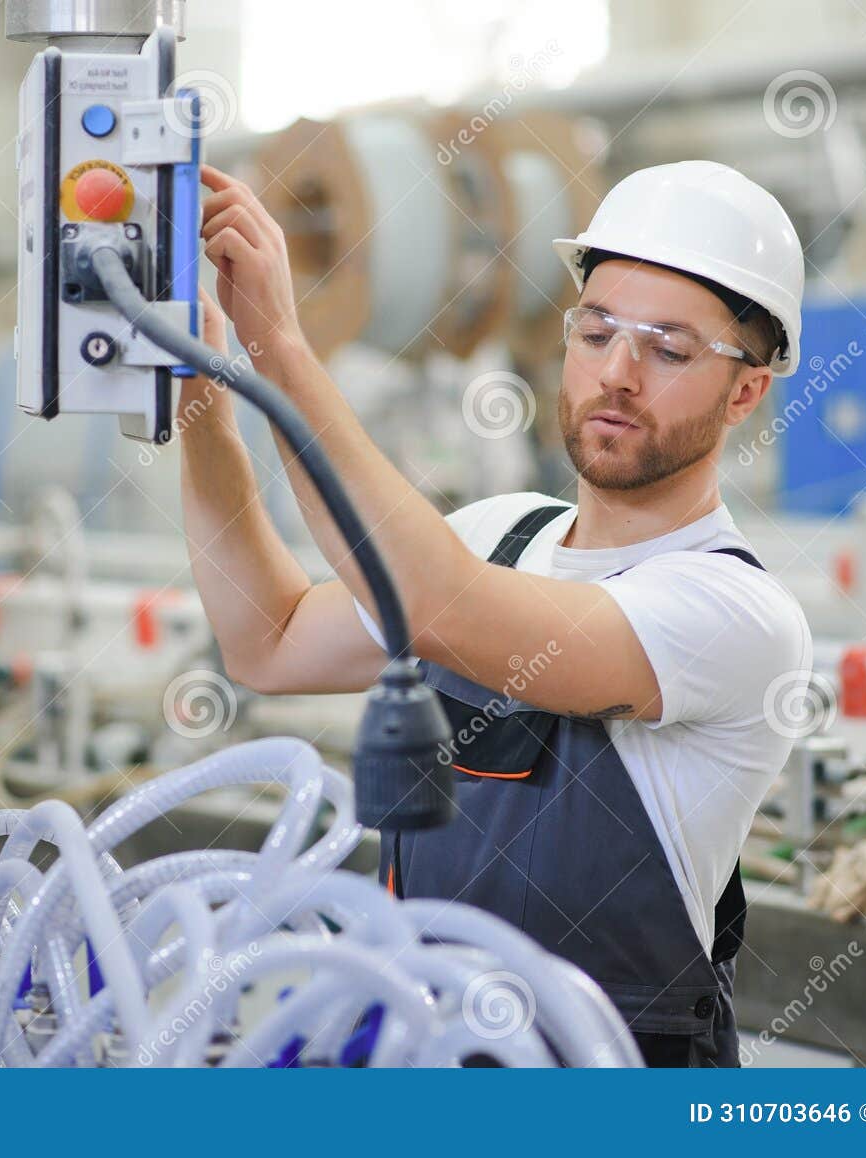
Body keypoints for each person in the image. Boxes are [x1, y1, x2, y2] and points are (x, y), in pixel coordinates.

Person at [177, 158, 814, 1067]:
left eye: (670, 350)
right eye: (596, 333)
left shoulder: (733, 612)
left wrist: (277, 343)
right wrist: (204, 400)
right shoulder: (501, 532)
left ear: (746, 391)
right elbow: (266, 641)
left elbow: (437, 602)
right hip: (425, 1052)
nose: (619, 374)